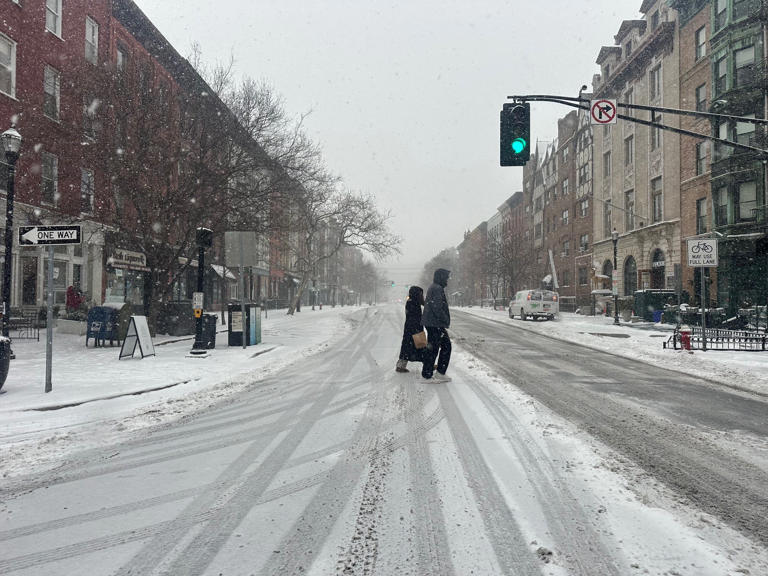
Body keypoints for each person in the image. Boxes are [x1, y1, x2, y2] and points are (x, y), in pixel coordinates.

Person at [422, 268, 452, 382]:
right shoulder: (437, 288)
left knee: (433, 348)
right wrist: (445, 319)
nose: (447, 280)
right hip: (435, 324)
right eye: (446, 278)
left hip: (432, 323)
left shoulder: (434, 287)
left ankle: (428, 373)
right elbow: (437, 308)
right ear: (441, 277)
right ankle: (436, 373)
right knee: (445, 346)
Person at [395, 285, 425, 373]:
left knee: (407, 347)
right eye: (420, 294)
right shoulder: (413, 303)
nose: (422, 296)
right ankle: (428, 364)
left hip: (411, 328)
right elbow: (415, 317)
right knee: (420, 346)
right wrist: (416, 329)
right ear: (416, 294)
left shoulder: (411, 301)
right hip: (414, 328)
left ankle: (400, 366)